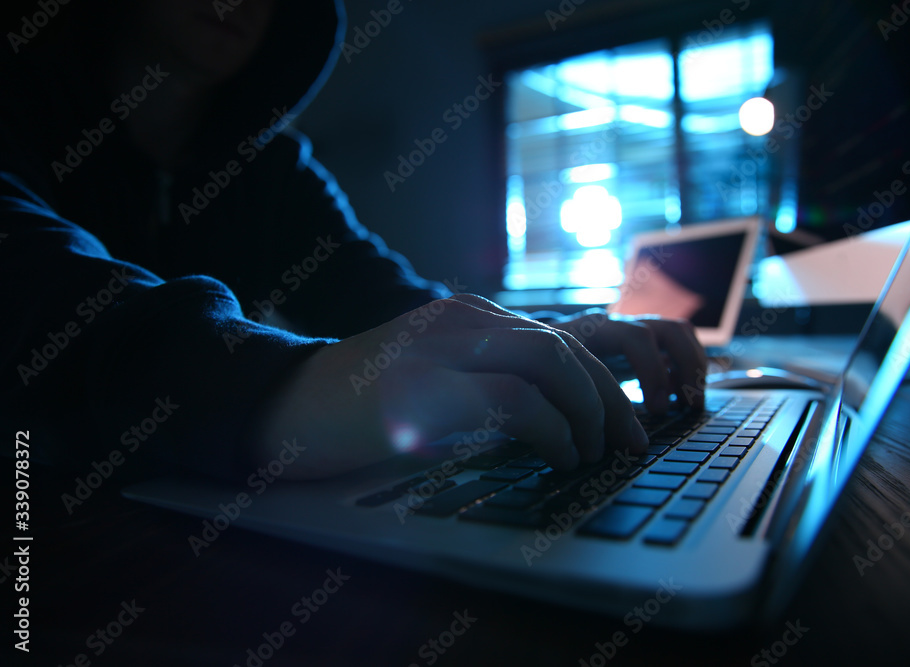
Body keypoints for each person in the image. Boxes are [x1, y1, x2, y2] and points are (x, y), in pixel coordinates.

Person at [0, 0, 706, 483]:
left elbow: (383, 301)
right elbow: (40, 298)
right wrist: (276, 387)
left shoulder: (270, 168)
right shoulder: (20, 105)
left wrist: (543, 344)